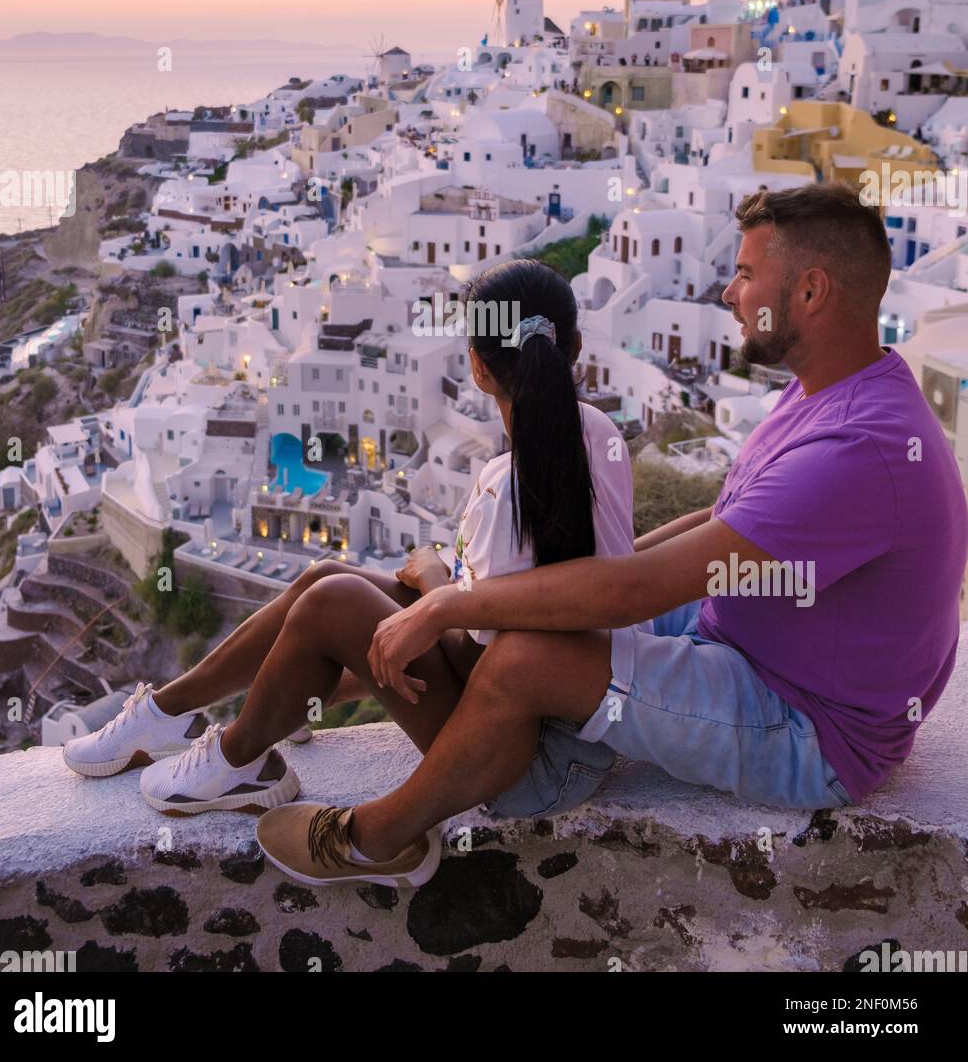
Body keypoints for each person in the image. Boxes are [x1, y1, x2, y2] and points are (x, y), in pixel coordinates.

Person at [258, 182, 966, 888]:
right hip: (748, 635)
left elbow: (632, 591)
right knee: (547, 602)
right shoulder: (829, 389)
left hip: (809, 727)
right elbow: (714, 529)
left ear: (810, 291)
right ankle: (343, 672)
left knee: (525, 657)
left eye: (748, 274)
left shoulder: (859, 449)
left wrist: (451, 603)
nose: (728, 292)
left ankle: (374, 841)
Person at [62, 261, 635, 872]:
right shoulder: (599, 435)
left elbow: (478, 657)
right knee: (322, 579)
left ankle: (238, 758)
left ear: (477, 366)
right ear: (572, 347)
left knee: (334, 600)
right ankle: (166, 713)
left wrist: (436, 582)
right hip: (574, 728)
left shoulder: (506, 488)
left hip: (524, 760)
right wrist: (430, 595)